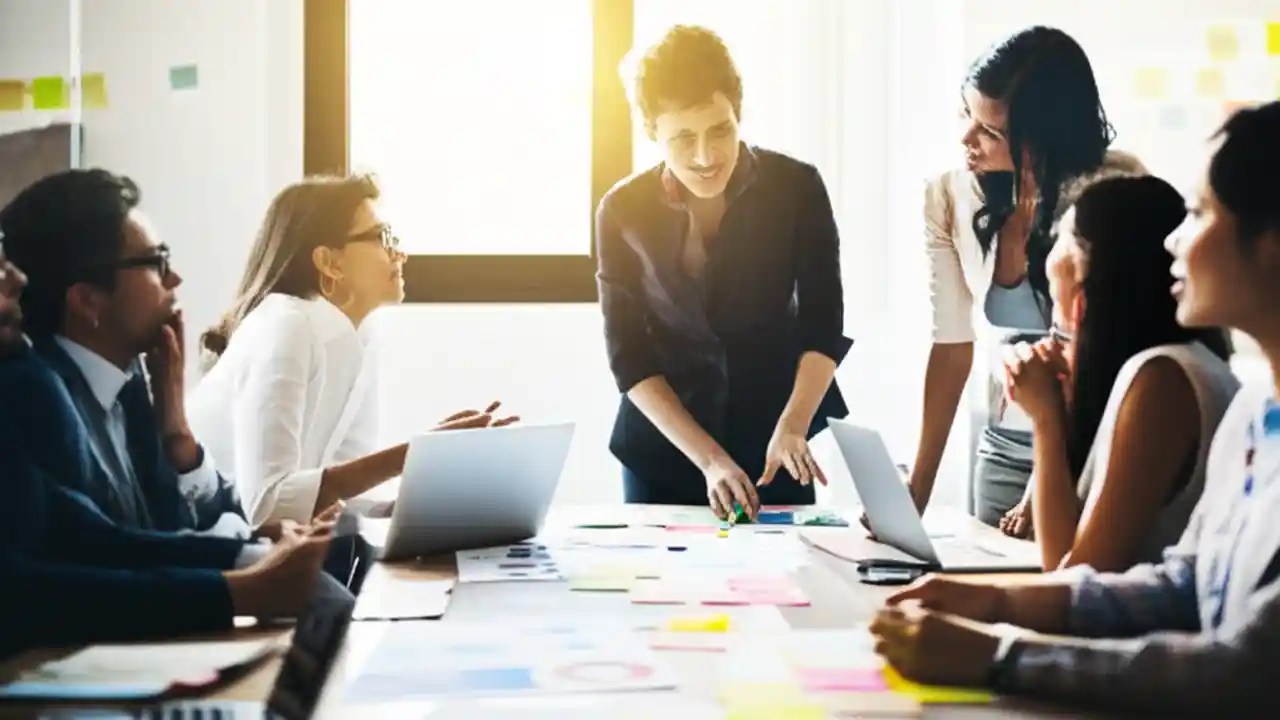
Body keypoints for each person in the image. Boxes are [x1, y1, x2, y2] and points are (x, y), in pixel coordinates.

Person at [869, 102, 1280, 715]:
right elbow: (1182, 587)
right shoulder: (1254, 412)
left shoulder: (1167, 376)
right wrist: (998, 603)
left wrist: (1000, 654)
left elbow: (1245, 671)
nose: (1174, 238)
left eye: (1198, 213)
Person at [0, 238, 334, 658]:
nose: (16, 279)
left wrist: (254, 557)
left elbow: (87, 535)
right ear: (86, 300)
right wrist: (243, 589)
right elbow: (21, 591)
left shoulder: (134, 375)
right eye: (156, 263)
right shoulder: (34, 387)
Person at [597, 25, 852, 519]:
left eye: (720, 130)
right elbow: (629, 358)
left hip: (776, 448)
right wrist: (710, 460)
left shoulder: (797, 188)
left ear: (739, 113)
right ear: (653, 133)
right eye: (682, 138)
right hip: (666, 449)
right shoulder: (620, 211)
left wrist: (795, 425)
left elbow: (822, 325)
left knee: (784, 591)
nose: (705, 156)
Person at [911, 26, 1145, 533]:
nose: (966, 140)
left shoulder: (1114, 197)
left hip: (1088, 445)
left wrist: (1047, 475)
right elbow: (951, 346)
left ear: (1040, 141)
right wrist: (915, 494)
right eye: (965, 115)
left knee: (1063, 592)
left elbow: (1098, 356)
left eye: (990, 132)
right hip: (1003, 443)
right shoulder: (948, 197)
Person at [189, 175, 516, 526]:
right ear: (330, 263)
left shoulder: (357, 339)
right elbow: (268, 508)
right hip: (212, 559)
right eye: (381, 238)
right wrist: (414, 454)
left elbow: (330, 502)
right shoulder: (286, 325)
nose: (399, 253)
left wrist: (433, 480)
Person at [1003, 176, 1236, 570]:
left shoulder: (1164, 380)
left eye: (1062, 236)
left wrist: (1046, 420)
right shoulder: (1175, 365)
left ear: (1087, 267)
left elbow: (1071, 574)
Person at [0, 169, 248, 537]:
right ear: (87, 301)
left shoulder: (127, 380)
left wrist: (178, 435)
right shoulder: (35, 396)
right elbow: (120, 559)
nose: (174, 279)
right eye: (155, 261)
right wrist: (245, 555)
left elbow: (191, 528)